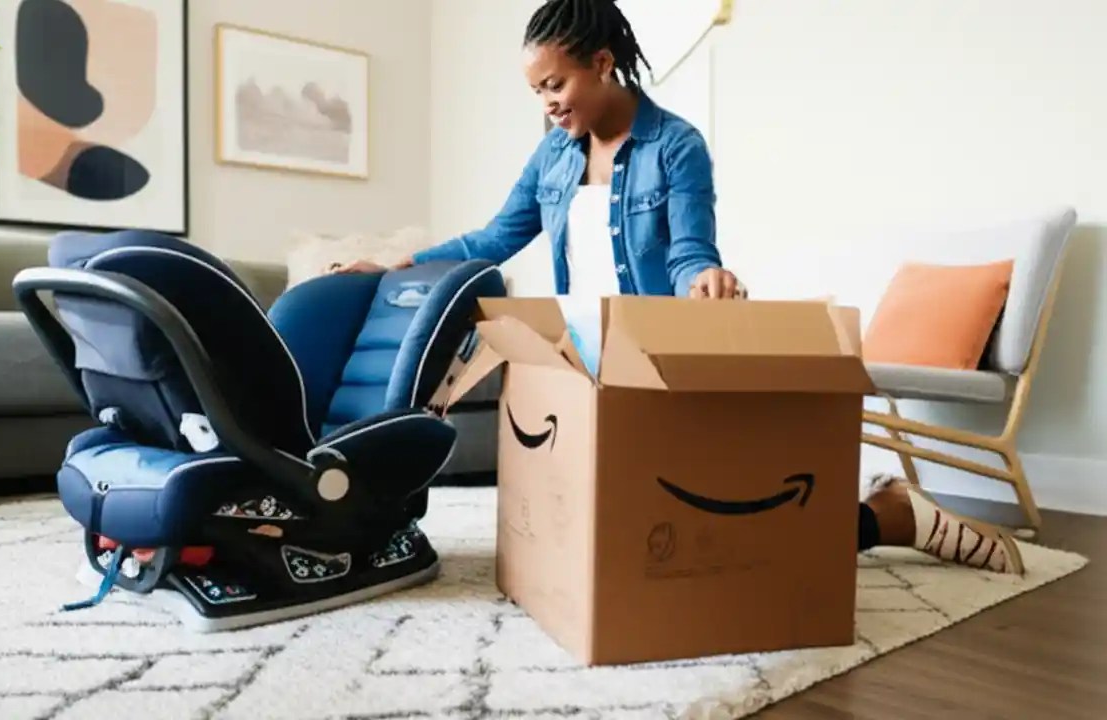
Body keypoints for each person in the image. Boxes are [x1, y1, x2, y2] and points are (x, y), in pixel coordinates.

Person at [331, 0, 1024, 574]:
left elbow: (693, 250)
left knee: (697, 527)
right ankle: (883, 514)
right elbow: (491, 240)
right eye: (536, 92)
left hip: (652, 359)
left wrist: (707, 279)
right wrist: (398, 259)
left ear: (602, 63)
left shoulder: (675, 146)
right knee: (611, 534)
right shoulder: (553, 155)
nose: (547, 106)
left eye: (555, 85)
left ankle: (887, 517)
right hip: (579, 353)